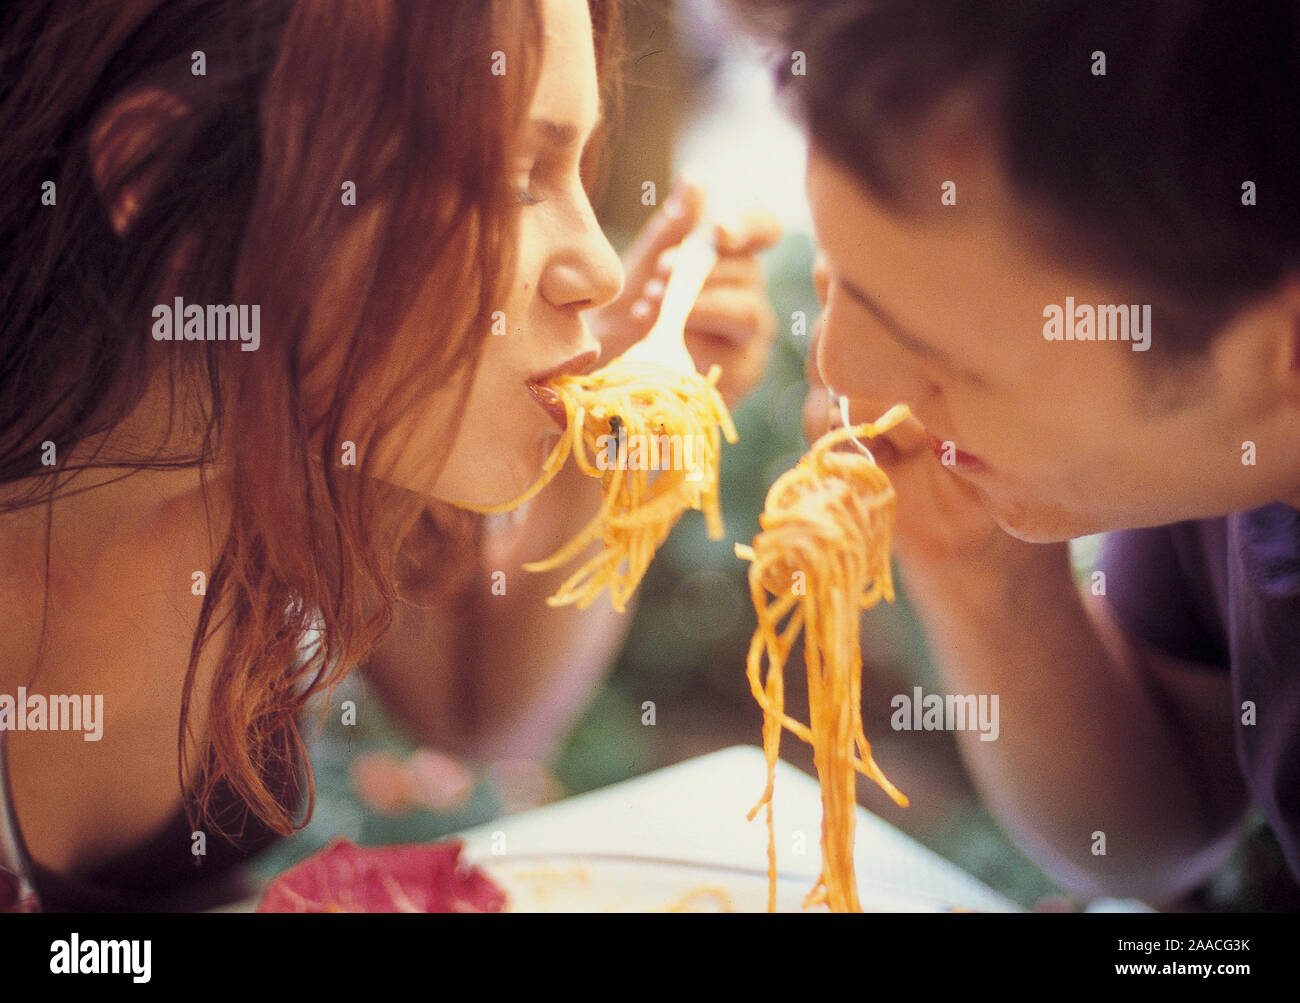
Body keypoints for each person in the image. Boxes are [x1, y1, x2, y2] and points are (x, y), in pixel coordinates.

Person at [0, 0, 779, 910]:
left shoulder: (316, 447)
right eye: (512, 181)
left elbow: (479, 708)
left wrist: (630, 427)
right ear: (159, 172)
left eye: (573, 170)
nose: (600, 269)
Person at [732, 0, 1300, 905]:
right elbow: (1163, 830)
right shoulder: (1212, 455)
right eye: (842, 282)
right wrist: (977, 569)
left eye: (937, 351)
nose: (844, 374)